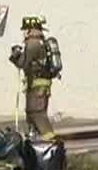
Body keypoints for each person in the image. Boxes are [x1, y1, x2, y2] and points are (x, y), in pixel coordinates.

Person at [10, 15, 61, 144]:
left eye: (25, 29)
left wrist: (15, 56)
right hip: (39, 86)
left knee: (37, 114)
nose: (23, 32)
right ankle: (36, 143)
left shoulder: (32, 43)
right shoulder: (40, 41)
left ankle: (51, 144)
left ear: (29, 30)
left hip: (37, 87)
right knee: (32, 114)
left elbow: (24, 63)